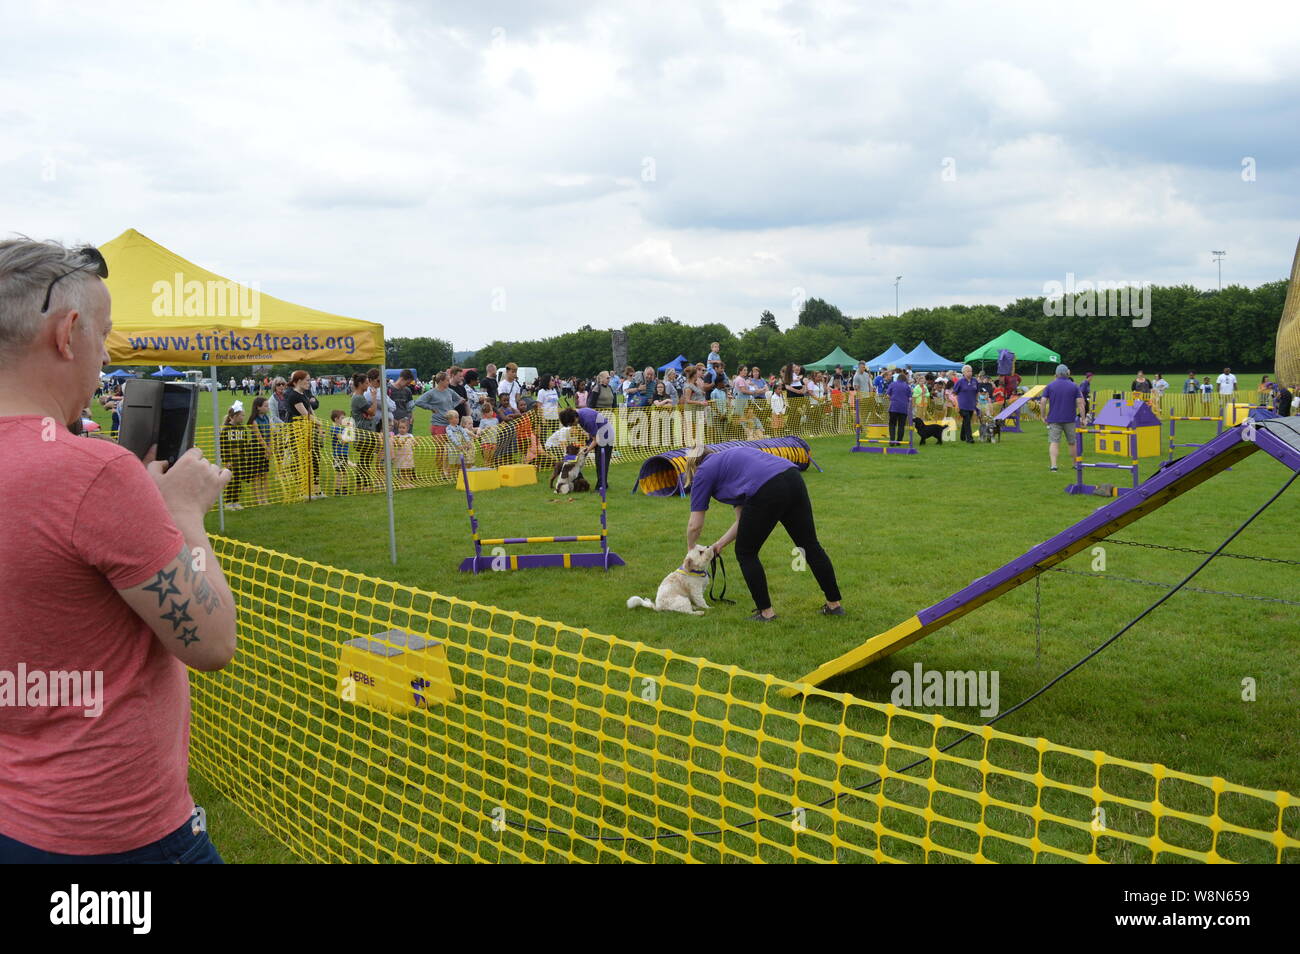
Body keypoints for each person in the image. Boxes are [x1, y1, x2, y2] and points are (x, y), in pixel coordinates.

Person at [0, 237, 235, 863]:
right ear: (67, 332)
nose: (105, 357)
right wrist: (183, 514)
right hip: (119, 831)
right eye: (104, 336)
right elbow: (210, 642)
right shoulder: (94, 472)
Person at [682, 444, 842, 621]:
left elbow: (694, 526)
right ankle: (834, 605)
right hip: (792, 477)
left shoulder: (703, 471)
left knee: (746, 553)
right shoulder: (729, 462)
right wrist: (720, 544)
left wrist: (691, 549)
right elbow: (742, 520)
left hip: (767, 488)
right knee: (810, 545)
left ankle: (766, 613)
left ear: (692, 466)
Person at [286, 369, 325, 499]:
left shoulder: (304, 394)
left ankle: (316, 489)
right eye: (307, 380)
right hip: (297, 433)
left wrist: (319, 427)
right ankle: (302, 491)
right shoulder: (293, 395)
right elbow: (306, 415)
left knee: (314, 459)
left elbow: (311, 412)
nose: (309, 382)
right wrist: (320, 424)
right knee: (300, 461)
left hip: (309, 431)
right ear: (298, 381)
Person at [558, 406, 613, 491]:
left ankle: (601, 487)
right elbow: (592, 433)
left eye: (571, 423)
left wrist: (587, 449)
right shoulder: (580, 415)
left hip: (606, 436)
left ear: (574, 417)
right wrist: (585, 448)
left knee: (601, 462)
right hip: (598, 434)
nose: (572, 425)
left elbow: (596, 439)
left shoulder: (587, 420)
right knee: (581, 457)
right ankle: (579, 480)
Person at [1043, 364, 1086, 472]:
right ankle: (1075, 464)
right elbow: (1081, 403)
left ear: (1056, 374)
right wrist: (1083, 418)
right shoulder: (1074, 386)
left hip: (1054, 418)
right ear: (1068, 373)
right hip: (1070, 419)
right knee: (1072, 442)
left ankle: (1053, 466)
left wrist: (1043, 415)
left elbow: (1043, 401)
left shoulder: (1050, 386)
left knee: (1054, 442)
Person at [219, 402, 248, 510]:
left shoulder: (242, 429)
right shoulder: (226, 429)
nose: (243, 417)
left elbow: (245, 444)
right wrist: (226, 460)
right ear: (234, 416)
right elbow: (222, 446)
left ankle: (236, 501)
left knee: (238, 480)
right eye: (242, 415)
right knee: (231, 480)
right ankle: (228, 502)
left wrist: (245, 457)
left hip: (240, 460)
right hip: (230, 460)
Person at [413, 370, 457, 435]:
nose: (449, 382)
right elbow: (418, 402)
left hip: (449, 424)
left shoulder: (449, 391)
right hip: (438, 425)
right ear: (441, 381)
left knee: (450, 445)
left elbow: (458, 400)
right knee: (440, 445)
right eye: (447, 380)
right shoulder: (431, 392)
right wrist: (431, 407)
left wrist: (452, 407)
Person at [247, 396, 272, 505]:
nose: (268, 408)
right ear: (258, 407)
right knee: (257, 475)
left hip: (266, 448)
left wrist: (269, 448)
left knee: (265, 474)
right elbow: (259, 437)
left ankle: (265, 498)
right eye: (265, 406)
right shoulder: (254, 421)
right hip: (256, 449)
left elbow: (270, 434)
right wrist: (267, 449)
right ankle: (258, 499)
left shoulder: (267, 418)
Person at [952, 364, 979, 443]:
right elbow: (954, 393)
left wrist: (976, 401)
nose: (970, 373)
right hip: (962, 405)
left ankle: (962, 436)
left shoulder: (975, 381)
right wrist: (956, 404)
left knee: (966, 420)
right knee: (967, 420)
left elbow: (977, 392)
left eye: (970, 371)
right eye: (968, 371)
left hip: (971, 405)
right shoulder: (960, 382)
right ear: (963, 373)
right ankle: (969, 438)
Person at [886, 369, 912, 445]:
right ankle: (899, 441)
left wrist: (892, 399)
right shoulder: (907, 386)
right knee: (901, 425)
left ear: (897, 379)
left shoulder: (892, 384)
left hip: (893, 407)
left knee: (892, 424)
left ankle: (892, 441)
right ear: (905, 380)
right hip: (903, 408)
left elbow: (887, 395)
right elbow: (910, 398)